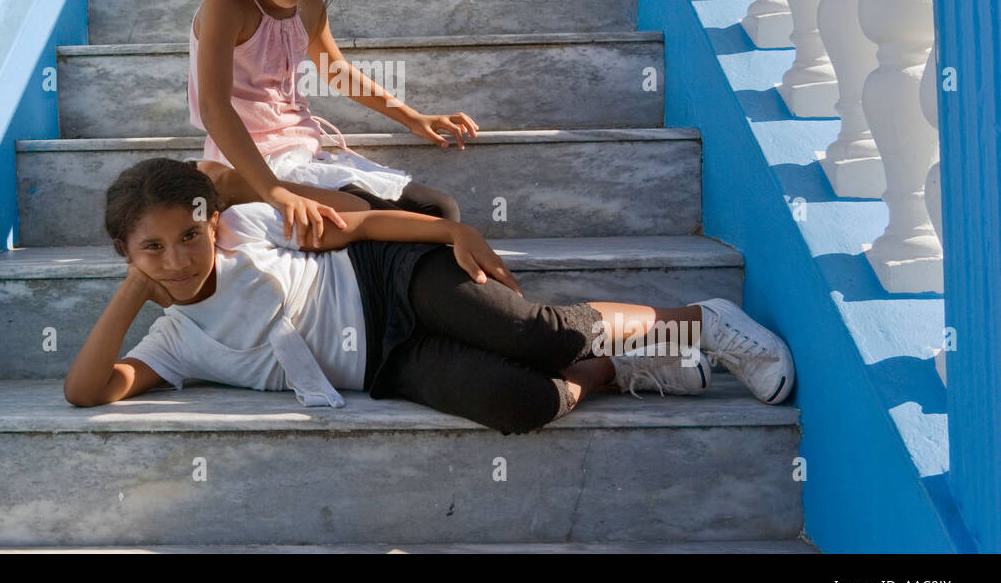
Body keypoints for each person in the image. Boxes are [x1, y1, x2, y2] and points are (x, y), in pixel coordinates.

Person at [63, 159, 797, 434]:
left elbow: (356, 222)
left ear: (211, 223)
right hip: (387, 365)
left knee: (535, 336)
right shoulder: (174, 342)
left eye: (187, 237)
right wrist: (135, 292)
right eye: (150, 249)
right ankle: (625, 366)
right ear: (126, 256)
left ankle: (705, 323)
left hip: (388, 276)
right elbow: (88, 390)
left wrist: (448, 233)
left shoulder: (249, 231)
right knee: (524, 404)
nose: (178, 257)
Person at [188, 0, 477, 248]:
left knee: (438, 209)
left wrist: (413, 118)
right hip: (252, 162)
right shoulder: (228, 3)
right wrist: (274, 190)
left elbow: (336, 71)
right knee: (365, 218)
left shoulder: (309, 6)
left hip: (303, 150)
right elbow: (214, 107)